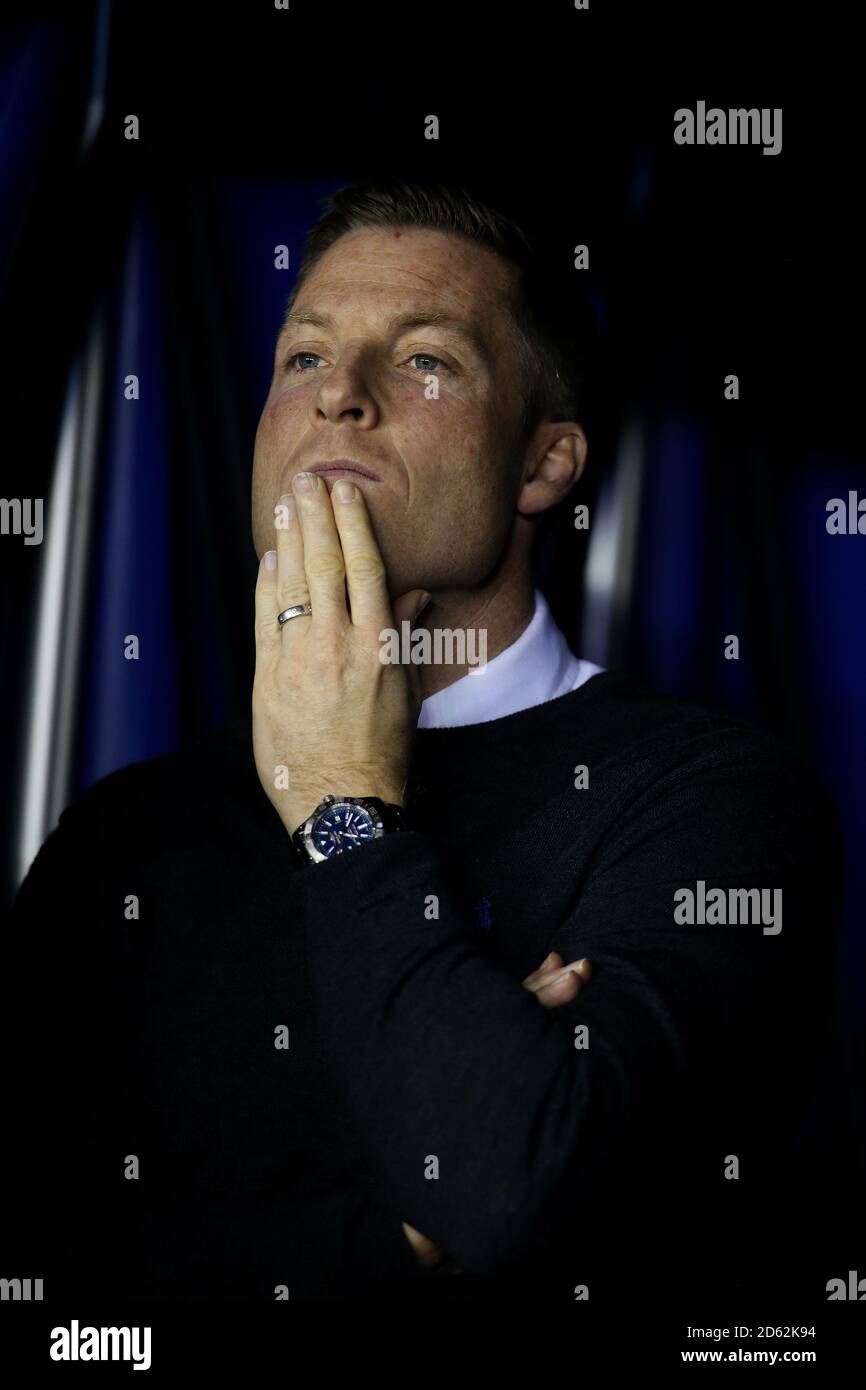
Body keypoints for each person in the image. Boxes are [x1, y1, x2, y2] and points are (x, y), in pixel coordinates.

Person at [1, 180, 843, 1307]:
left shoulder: (712, 806)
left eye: (425, 361)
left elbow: (505, 1187)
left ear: (544, 463)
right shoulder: (121, 837)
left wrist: (339, 800)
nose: (337, 397)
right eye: (302, 358)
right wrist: (391, 1239)